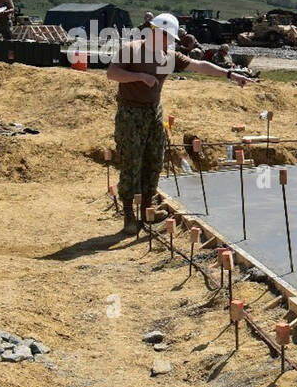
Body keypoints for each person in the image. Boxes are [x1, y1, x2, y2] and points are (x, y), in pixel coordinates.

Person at [106, 13, 253, 236]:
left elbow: (200, 66)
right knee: (131, 160)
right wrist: (139, 77)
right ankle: (129, 215)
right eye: (167, 37)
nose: (169, 42)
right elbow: (112, 73)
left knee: (155, 158)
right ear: (155, 31)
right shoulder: (132, 48)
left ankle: (147, 210)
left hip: (154, 112)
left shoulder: (169, 55)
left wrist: (231, 75)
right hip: (130, 113)